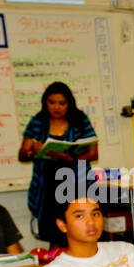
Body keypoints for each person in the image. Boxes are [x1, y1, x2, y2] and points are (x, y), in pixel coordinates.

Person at [18, 81, 98, 233]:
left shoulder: (80, 120)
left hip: (77, 185)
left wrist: (71, 158)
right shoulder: (38, 121)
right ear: (45, 102)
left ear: (69, 103)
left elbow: (93, 153)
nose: (56, 107)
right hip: (47, 187)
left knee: (80, 231)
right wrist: (34, 152)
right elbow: (23, 154)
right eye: (52, 102)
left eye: (62, 103)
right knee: (53, 233)